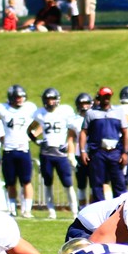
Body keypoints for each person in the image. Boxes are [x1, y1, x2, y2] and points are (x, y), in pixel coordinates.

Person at [32, 88, 81, 221]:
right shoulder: (40, 114)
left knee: (68, 183)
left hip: (61, 152)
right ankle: (51, 211)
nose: (50, 102)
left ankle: (75, 212)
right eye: (48, 99)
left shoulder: (65, 111)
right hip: (46, 152)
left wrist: (70, 145)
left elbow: (73, 129)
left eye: (52, 99)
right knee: (48, 183)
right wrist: (37, 141)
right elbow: (30, 130)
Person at [0, 85, 39, 217]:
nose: (20, 99)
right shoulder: (3, 109)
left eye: (21, 97)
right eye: (17, 97)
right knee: (10, 182)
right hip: (9, 149)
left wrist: (33, 135)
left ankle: (27, 210)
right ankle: (12, 209)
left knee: (26, 180)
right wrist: (0, 136)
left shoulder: (29, 108)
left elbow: (42, 122)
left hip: (23, 149)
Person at [81, 87, 128, 204]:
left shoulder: (118, 112)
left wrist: (125, 152)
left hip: (114, 152)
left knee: (119, 183)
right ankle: (100, 211)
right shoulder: (91, 113)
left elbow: (125, 132)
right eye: (104, 96)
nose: (107, 99)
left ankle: (121, 209)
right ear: (100, 97)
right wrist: (83, 151)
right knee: (97, 184)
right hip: (98, 152)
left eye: (108, 96)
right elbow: (83, 132)